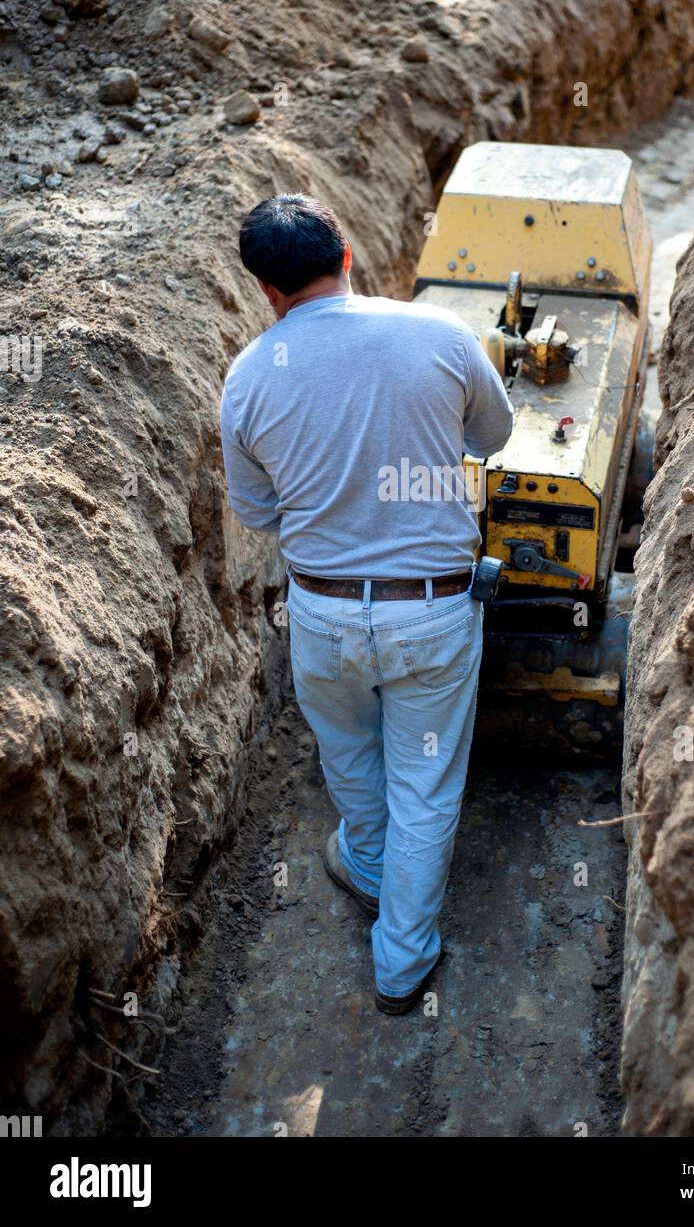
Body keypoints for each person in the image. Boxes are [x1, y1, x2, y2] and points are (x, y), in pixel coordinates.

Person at [220, 194, 513, 1014]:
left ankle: (370, 867)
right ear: (346, 254)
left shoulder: (246, 378)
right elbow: (491, 438)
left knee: (349, 758)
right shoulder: (439, 333)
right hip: (430, 613)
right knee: (424, 781)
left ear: (265, 291)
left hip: (321, 614)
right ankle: (401, 963)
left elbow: (259, 513)